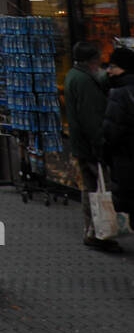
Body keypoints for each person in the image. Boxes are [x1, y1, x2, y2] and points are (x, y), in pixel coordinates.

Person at [64, 41, 116, 251]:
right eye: (97, 60)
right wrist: (99, 145)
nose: (99, 63)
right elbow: (90, 117)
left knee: (91, 187)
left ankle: (93, 230)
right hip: (90, 146)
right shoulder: (83, 81)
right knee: (96, 188)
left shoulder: (74, 76)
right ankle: (97, 231)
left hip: (82, 144)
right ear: (90, 61)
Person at [102, 46, 134, 230]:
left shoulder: (119, 94)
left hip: (126, 164)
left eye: (113, 66)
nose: (108, 71)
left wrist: (106, 155)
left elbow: (110, 133)